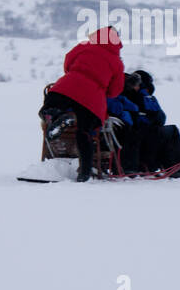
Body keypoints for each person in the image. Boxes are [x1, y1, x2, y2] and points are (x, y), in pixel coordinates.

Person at [39, 26, 125, 182]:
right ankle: (84, 172)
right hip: (93, 99)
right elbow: (115, 91)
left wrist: (75, 73)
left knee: (48, 108)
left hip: (67, 86)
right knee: (84, 133)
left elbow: (67, 61)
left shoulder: (84, 46)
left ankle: (57, 116)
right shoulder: (117, 62)